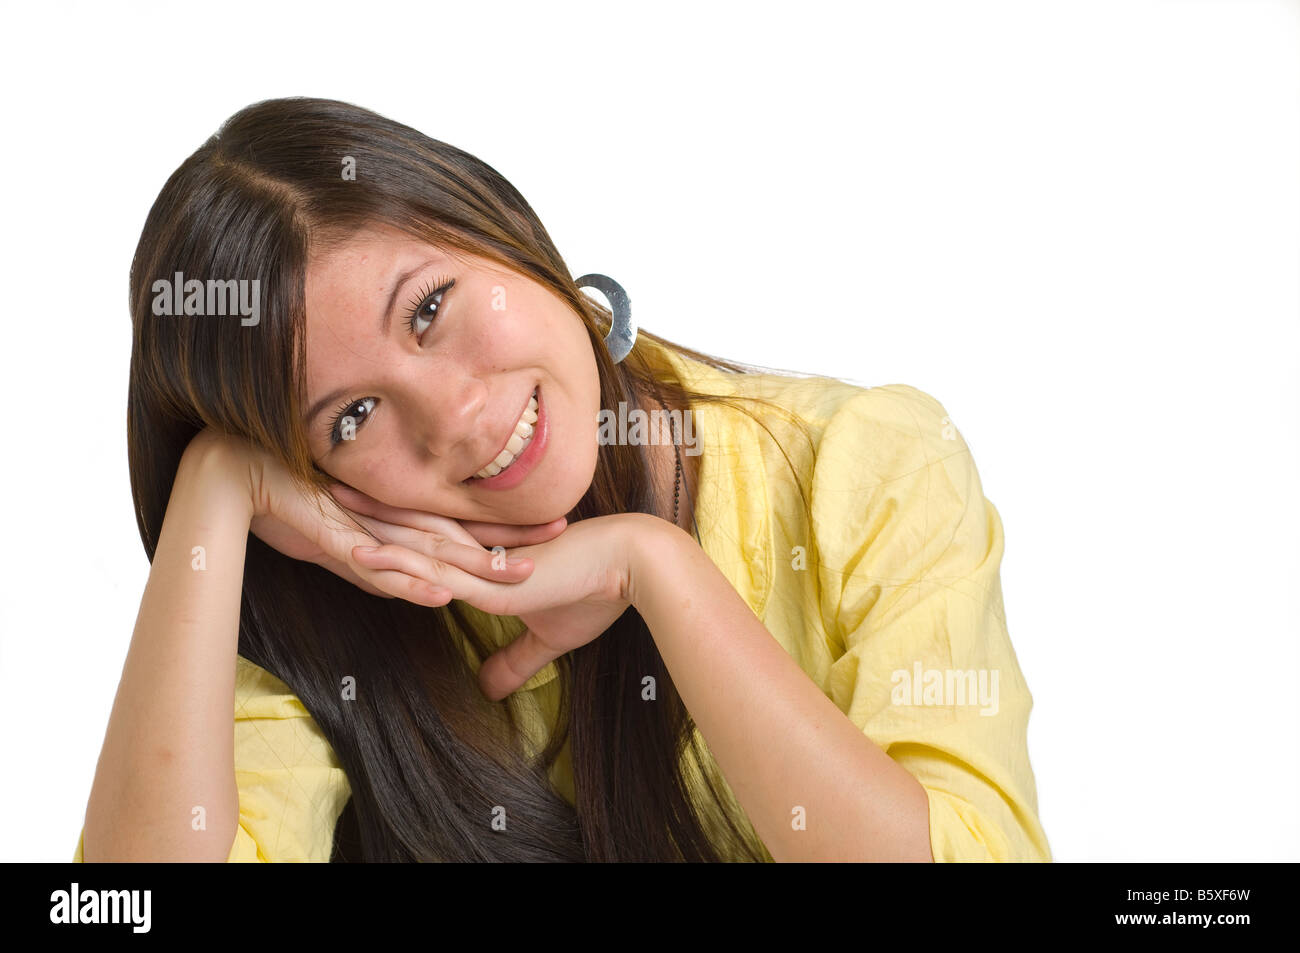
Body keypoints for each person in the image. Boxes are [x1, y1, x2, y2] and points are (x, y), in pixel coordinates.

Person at [74, 97, 1051, 863]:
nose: (455, 416)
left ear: (489, 219)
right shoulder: (335, 608)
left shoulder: (867, 463)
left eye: (429, 309)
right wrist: (214, 480)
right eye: (352, 416)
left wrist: (658, 570)